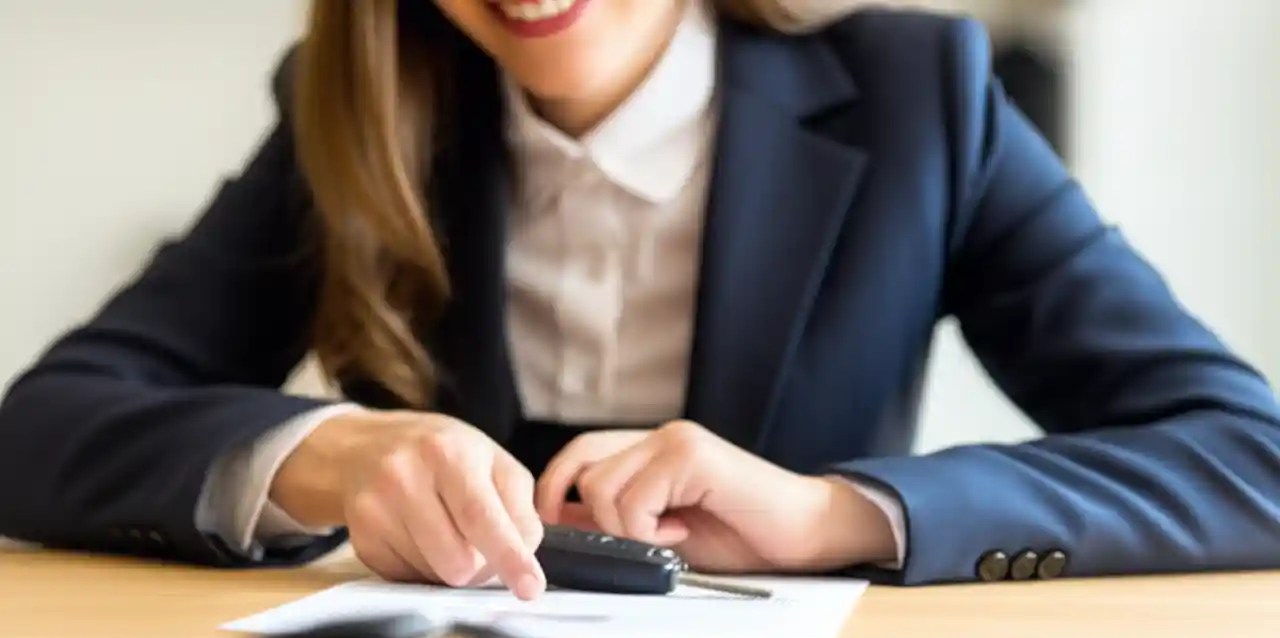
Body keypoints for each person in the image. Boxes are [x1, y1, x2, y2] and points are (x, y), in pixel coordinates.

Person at [1, 0, 1277, 600]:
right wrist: (324, 458)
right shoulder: (358, 111)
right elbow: (43, 426)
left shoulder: (917, 93)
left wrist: (837, 514)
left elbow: (1246, 458)